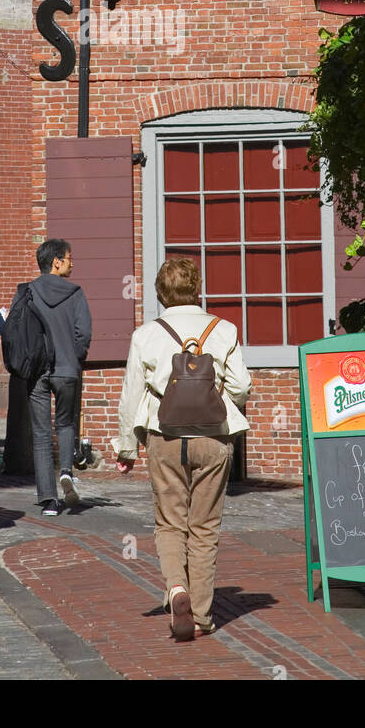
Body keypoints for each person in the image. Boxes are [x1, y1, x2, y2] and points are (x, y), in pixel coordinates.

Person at [112, 257, 251, 641]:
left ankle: (176, 588)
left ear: (160, 293)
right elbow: (241, 388)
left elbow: (130, 397)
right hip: (213, 436)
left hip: (164, 436)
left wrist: (126, 449)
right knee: (205, 527)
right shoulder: (223, 329)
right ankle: (203, 615)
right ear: (197, 288)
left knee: (170, 523)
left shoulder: (145, 335)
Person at [11, 238, 91, 516]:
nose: (72, 263)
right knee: (66, 424)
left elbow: (16, 332)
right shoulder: (77, 293)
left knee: (42, 434)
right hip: (68, 370)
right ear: (56, 261)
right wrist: (73, 357)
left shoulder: (27, 292)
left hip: (37, 371)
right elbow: (84, 334)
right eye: (69, 258)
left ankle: (48, 500)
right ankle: (66, 471)